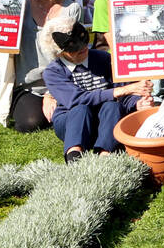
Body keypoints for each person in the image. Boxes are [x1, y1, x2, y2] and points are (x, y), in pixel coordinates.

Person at [44, 22, 153, 162]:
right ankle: (74, 156)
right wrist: (118, 91)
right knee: (80, 109)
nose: (83, 48)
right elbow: (76, 99)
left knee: (112, 105)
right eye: (74, 48)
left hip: (107, 119)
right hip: (71, 122)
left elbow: (123, 93)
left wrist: (137, 103)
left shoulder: (103, 58)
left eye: (84, 42)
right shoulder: (53, 71)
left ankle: (106, 155)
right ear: (60, 52)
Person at [8, 0, 82, 134]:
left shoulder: (72, 9)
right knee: (31, 122)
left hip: (61, 81)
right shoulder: (20, 7)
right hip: (27, 85)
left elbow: (72, 55)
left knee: (71, 116)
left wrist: (52, 93)